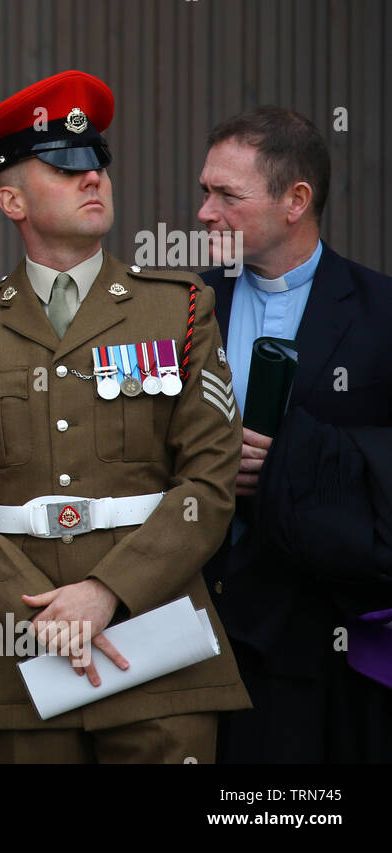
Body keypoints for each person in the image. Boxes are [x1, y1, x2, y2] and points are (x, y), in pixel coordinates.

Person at [0, 70, 250, 763]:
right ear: (12, 199)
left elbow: (210, 483)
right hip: (26, 666)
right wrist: (38, 616)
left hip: (160, 656)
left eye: (96, 161)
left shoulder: (179, 309)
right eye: (65, 167)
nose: (92, 176)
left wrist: (105, 592)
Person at [196, 106, 392, 762]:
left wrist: (298, 465)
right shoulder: (183, 308)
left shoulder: (382, 313)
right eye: (205, 191)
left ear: (295, 200)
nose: (204, 213)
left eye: (227, 194)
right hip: (203, 642)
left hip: (333, 658)